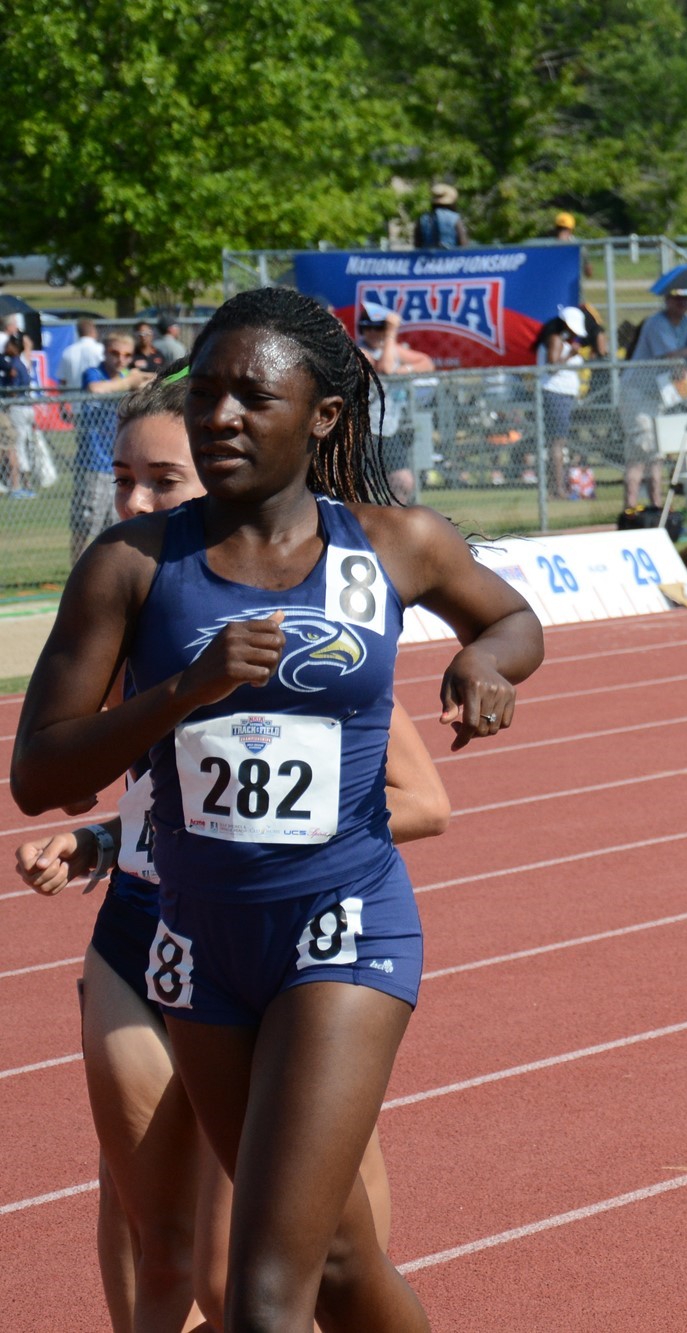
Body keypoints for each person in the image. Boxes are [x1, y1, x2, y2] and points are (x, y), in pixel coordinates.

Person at [10, 286, 543, 1332]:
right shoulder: (130, 568)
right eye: (206, 395)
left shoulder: (397, 545)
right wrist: (182, 691)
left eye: (252, 397)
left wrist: (487, 662)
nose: (220, 418)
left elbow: (514, 617)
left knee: (259, 1300)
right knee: (340, 1264)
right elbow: (39, 775)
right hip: (195, 936)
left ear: (324, 416)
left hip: (342, 925)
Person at [624, 284, 687, 510]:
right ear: (667, 300)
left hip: (658, 396)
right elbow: (671, 356)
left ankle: (656, 504)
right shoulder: (657, 323)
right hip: (637, 393)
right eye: (676, 299)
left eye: (685, 299)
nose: (682, 303)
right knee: (641, 448)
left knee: (657, 452)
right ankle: (630, 506)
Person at [75, 335, 153, 560]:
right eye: (115, 353)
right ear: (105, 352)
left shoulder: (129, 376)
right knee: (86, 523)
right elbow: (96, 389)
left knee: (117, 526)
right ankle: (76, 573)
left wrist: (145, 379)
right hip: (93, 463)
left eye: (127, 355)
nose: (121, 360)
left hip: (122, 465)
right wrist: (130, 382)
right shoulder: (94, 373)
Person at [356, 305, 436, 505]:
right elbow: (384, 368)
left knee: (404, 481)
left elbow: (426, 362)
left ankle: (394, 522)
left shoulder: (392, 351)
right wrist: (391, 334)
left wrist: (403, 369)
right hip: (366, 430)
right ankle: (364, 526)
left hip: (390, 430)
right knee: (363, 485)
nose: (373, 333)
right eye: (368, 328)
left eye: (379, 328)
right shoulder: (360, 350)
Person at [537, 306, 588, 497]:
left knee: (560, 442)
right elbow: (552, 365)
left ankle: (559, 485)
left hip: (564, 395)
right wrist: (570, 356)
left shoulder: (563, 339)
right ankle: (557, 487)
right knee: (557, 443)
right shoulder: (555, 339)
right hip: (555, 394)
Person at [2, 332, 34, 497]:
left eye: (9, 345)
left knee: (18, 446)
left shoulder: (14, 364)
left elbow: (13, 391)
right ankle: (25, 484)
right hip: (26, 407)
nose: (6, 348)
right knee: (24, 445)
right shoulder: (21, 362)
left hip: (18, 408)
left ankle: (24, 484)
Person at [415, 183, 469, 250]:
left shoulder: (422, 219)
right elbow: (463, 245)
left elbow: (417, 246)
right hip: (451, 258)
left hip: (427, 259)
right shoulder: (455, 218)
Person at [58, 317, 106, 389]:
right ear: (93, 331)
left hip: (73, 397)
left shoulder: (68, 351)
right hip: (98, 397)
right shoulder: (101, 349)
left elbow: (62, 380)